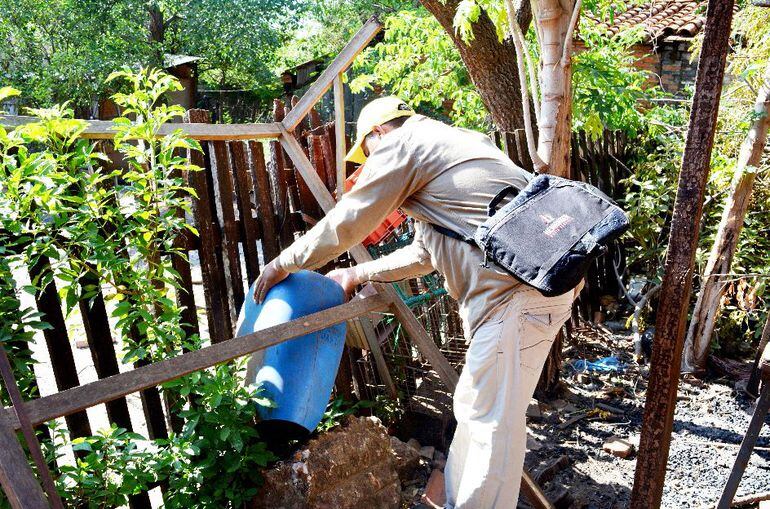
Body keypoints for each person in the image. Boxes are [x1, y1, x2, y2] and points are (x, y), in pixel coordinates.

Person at [254, 96, 577, 508]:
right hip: (547, 284)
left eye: (365, 153)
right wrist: (357, 273)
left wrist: (285, 262)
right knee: (500, 419)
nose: (368, 163)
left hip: (511, 296)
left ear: (378, 133)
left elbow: (350, 220)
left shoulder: (403, 143)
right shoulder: (455, 144)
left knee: (480, 422)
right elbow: (423, 255)